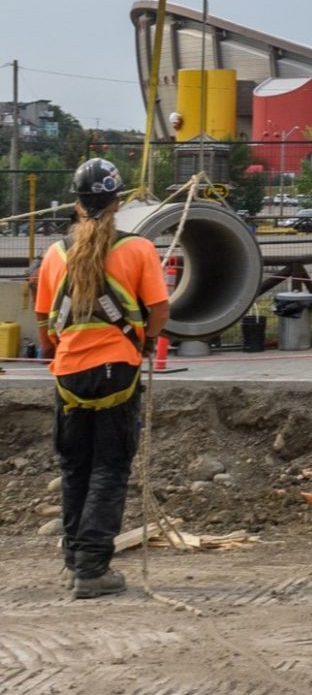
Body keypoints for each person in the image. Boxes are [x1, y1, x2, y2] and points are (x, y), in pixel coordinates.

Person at [32, 159, 169, 598]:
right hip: (117, 370)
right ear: (116, 201)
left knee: (75, 467)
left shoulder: (55, 254)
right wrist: (144, 341)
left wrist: (60, 350)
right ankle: (92, 569)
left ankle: (76, 562)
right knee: (109, 468)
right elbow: (160, 309)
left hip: (68, 372)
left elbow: (44, 320)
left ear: (77, 203)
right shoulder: (138, 249)